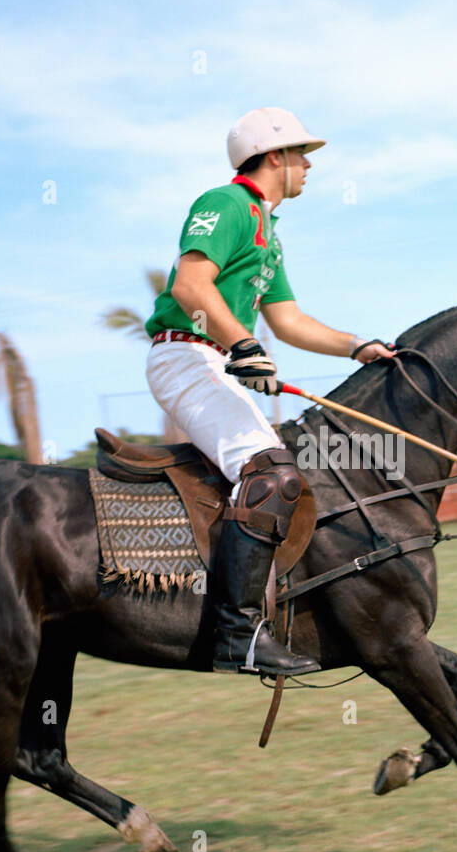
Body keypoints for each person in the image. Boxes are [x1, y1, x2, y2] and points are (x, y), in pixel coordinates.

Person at [145, 107, 394, 676]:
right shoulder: (224, 204)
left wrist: (357, 346)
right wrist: (239, 344)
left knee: (277, 475)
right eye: (302, 154)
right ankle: (236, 635)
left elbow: (287, 322)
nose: (308, 165)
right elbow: (189, 284)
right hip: (185, 355)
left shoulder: (268, 230)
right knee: (272, 476)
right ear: (274, 157)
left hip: (212, 360)